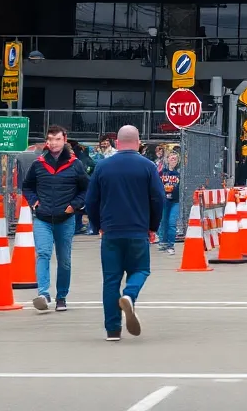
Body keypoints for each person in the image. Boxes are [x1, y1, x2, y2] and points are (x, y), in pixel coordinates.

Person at [85, 125, 165, 342]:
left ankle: (112, 330)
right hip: (138, 230)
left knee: (110, 280)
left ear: (117, 144)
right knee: (141, 269)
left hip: (110, 232)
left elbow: (90, 201)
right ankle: (130, 294)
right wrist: (153, 227)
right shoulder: (148, 167)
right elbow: (159, 198)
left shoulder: (103, 167)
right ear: (138, 143)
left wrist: (97, 224)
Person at [22, 125, 90, 313]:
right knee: (43, 254)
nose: (53, 143)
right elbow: (27, 186)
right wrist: (35, 202)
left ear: (64, 140)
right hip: (42, 219)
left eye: (57, 139)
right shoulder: (38, 164)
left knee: (64, 260)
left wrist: (74, 205)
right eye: (50, 139)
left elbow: (87, 188)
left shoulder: (75, 165)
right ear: (47, 141)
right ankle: (43, 294)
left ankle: (61, 297)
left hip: (65, 219)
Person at [156, 151, 181, 255]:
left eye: (175, 159)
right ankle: (163, 242)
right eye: (171, 158)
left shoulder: (180, 173)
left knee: (172, 222)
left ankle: (171, 244)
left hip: (175, 200)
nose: (173, 160)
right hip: (164, 200)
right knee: (163, 221)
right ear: (167, 159)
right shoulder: (162, 172)